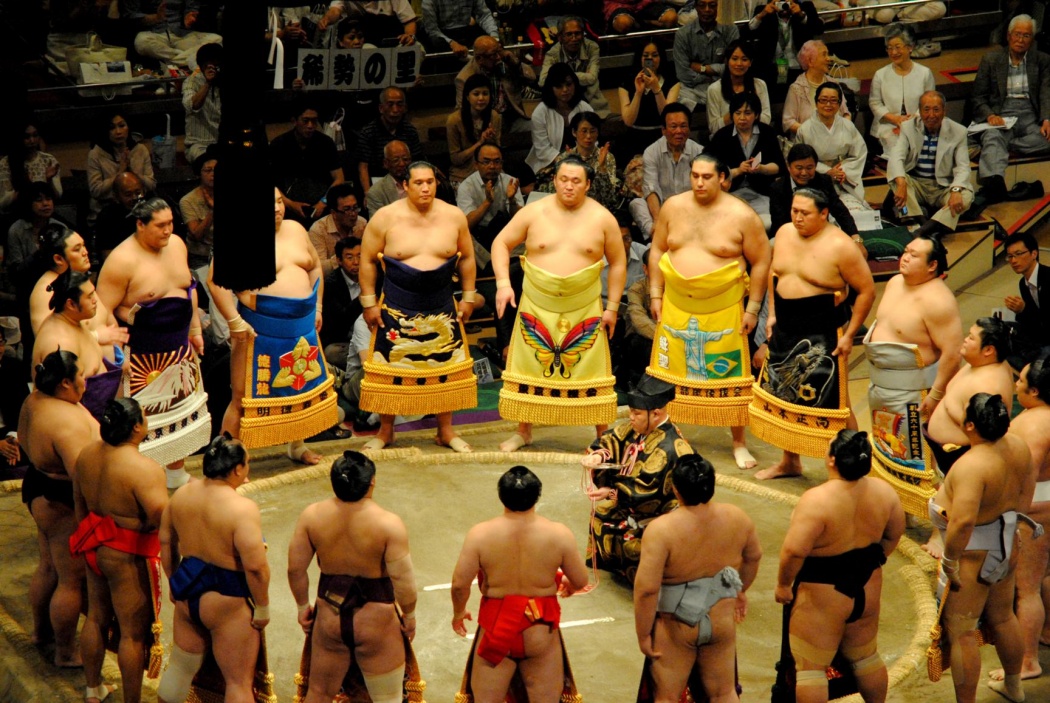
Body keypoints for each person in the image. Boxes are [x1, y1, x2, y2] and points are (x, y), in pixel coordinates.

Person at [492, 155, 626, 451]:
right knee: (529, 367)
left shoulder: (603, 218)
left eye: (576, 181)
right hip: (536, 302)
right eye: (563, 179)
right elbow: (501, 242)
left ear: (588, 185)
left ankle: (601, 435)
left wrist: (613, 307)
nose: (568, 186)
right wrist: (503, 284)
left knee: (591, 370)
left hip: (584, 305)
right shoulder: (533, 212)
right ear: (554, 180)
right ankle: (524, 431)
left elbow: (618, 262)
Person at [648, 153, 771, 469]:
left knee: (731, 376)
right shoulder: (673, 207)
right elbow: (658, 249)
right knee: (669, 375)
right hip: (676, 305)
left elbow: (761, 262)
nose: (699, 182)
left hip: (723, 307)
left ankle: (739, 442)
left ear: (723, 179)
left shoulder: (742, 215)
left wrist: (753, 309)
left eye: (706, 177)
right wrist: (655, 293)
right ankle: (670, 435)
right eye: (695, 176)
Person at [207, 187, 338, 465]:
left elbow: (315, 266)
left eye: (279, 201)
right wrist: (234, 321)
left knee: (301, 389)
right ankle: (227, 463)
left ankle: (297, 446)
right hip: (260, 325)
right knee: (242, 397)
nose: (277, 208)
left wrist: (318, 306)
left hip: (302, 322)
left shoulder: (296, 229)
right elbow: (215, 282)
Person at [750, 187, 874, 479]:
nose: (797, 218)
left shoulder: (841, 246)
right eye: (794, 211)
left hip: (822, 329)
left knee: (837, 401)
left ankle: (854, 467)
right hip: (785, 325)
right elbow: (774, 273)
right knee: (785, 396)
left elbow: (866, 291)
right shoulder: (784, 233)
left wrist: (849, 334)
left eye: (804, 213)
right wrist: (773, 314)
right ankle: (789, 462)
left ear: (824, 214)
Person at [775, 429, 905, 703]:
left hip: (824, 592)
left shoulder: (816, 500)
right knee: (866, 657)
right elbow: (894, 534)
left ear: (833, 459)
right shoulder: (884, 491)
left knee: (810, 670)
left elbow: (794, 551)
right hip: (868, 584)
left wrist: (783, 585)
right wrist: (869, 561)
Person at [358, 161, 478, 451]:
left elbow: (467, 257)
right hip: (397, 302)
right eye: (418, 183)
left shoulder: (453, 216)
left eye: (430, 182)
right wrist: (368, 302)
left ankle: (445, 431)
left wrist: (469, 296)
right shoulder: (385, 217)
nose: (425, 188)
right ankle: (386, 431)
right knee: (390, 368)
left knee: (445, 366)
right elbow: (367, 260)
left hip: (441, 301)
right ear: (404, 185)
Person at [96, 197, 211, 489]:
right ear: (140, 224)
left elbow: (188, 288)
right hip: (141, 354)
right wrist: (116, 354)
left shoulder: (177, 245)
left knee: (179, 412)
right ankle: (136, 482)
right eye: (160, 225)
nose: (167, 230)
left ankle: (176, 473)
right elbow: (102, 311)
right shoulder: (121, 261)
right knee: (138, 422)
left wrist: (195, 329)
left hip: (180, 346)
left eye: (171, 223)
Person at [288, 450, 419, 703]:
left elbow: (295, 569)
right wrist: (410, 615)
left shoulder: (312, 516)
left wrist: (303, 606)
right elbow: (404, 582)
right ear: (372, 482)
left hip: (330, 618)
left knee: (318, 694)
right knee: (388, 700)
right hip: (376, 623)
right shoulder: (388, 524)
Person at [450, 466, 590, 703]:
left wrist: (458, 613)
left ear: (501, 495)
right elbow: (581, 580)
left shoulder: (480, 534)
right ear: (537, 496)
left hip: (495, 628)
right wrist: (568, 583)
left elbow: (459, 584)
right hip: (539, 631)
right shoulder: (559, 534)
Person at [928, 393, 1034, 703]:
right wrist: (1013, 532)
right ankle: (1013, 687)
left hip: (971, 554)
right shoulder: (1019, 447)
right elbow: (1025, 492)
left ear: (970, 426)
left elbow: (962, 522)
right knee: (1003, 617)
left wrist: (950, 560)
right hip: (1005, 540)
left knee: (961, 631)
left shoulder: (971, 466)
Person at [634, 453, 762, 701]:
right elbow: (754, 557)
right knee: (724, 693)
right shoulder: (737, 517)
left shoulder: (661, 529)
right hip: (721, 620)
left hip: (676, 627)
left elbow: (647, 590)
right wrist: (739, 590)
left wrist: (643, 634)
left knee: (666, 698)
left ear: (675, 489)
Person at [156, 434, 271, 703]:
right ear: (237, 469)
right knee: (238, 682)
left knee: (180, 669)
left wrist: (174, 581)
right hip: (227, 602)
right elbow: (255, 567)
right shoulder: (242, 509)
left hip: (188, 593)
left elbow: (166, 542)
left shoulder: (181, 495)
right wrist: (263, 606)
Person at [71, 399, 167, 703]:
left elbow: (79, 507)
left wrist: (92, 541)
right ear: (136, 427)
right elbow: (164, 524)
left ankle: (93, 689)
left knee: (96, 618)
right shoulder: (145, 470)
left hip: (92, 545)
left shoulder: (86, 455)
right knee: (132, 634)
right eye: (144, 417)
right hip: (126, 556)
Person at [865, 234, 962, 516]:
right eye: (905, 251)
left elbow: (952, 353)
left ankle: (939, 523)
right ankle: (898, 512)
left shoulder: (939, 300)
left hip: (915, 393)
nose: (904, 257)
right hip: (881, 386)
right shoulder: (895, 282)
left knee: (920, 459)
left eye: (914, 255)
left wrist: (936, 395)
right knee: (888, 449)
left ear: (932, 265)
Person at [19, 350, 98, 667]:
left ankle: (41, 633)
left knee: (49, 567)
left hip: (38, 483)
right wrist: (89, 515)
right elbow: (83, 479)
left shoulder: (35, 399)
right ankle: (65, 652)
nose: (85, 381)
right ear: (65, 382)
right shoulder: (64, 424)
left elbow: (23, 438)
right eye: (81, 376)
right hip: (61, 498)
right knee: (71, 579)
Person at [582, 373, 697, 581]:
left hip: (659, 516)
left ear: (656, 414)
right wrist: (599, 456)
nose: (631, 418)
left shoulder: (670, 447)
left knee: (632, 545)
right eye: (631, 412)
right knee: (601, 516)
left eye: (636, 413)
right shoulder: (640, 428)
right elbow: (612, 438)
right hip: (631, 506)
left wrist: (612, 491)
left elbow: (646, 491)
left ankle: (647, 580)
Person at [922, 318, 1017, 556]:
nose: (965, 339)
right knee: (946, 490)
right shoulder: (979, 364)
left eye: (972, 337)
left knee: (957, 498)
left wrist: (950, 409)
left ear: (988, 350)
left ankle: (944, 540)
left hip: (964, 450)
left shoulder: (990, 383)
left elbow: (985, 427)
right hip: (949, 448)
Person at [987, 355, 1050, 684]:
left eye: (1021, 381)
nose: (1015, 385)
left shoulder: (1035, 424)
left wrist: (1012, 516)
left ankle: (1027, 661)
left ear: (1035, 390)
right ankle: (1047, 631)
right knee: (1045, 575)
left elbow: (1028, 477)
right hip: (1045, 500)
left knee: (1027, 588)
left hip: (1035, 505)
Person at [971, 15, 1050, 205]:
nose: (1020, 40)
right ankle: (994, 182)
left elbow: (1046, 93)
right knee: (992, 135)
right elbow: (977, 97)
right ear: (1008, 36)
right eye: (1017, 34)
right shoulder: (991, 59)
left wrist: (1047, 119)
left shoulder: (1042, 60)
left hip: (1030, 116)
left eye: (1026, 35)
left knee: (1047, 138)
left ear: (1032, 39)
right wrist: (990, 115)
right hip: (1002, 114)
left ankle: (1006, 146)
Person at [457, 142, 524, 356]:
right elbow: (466, 224)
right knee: (463, 237)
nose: (492, 166)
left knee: (526, 234)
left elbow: (522, 220)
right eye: (486, 162)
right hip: (480, 239)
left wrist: (512, 200)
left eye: (496, 162)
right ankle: (497, 267)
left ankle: (511, 265)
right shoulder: (466, 186)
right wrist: (486, 202)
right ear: (477, 164)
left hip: (505, 237)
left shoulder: (510, 181)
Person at [32, 271, 124, 422]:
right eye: (89, 296)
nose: (95, 300)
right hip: (82, 421)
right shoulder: (59, 342)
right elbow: (60, 404)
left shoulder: (73, 321)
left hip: (100, 414)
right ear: (71, 304)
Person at [885, 90, 973, 237]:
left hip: (943, 186)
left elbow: (963, 167)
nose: (931, 115)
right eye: (926, 110)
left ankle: (922, 229)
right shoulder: (908, 127)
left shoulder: (959, 131)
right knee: (896, 179)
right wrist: (901, 182)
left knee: (965, 196)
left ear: (944, 111)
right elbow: (896, 157)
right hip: (917, 184)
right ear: (919, 111)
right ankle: (921, 221)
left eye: (936, 109)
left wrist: (956, 190)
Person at [707, 93, 785, 229]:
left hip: (762, 193)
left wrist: (762, 168)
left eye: (747, 113)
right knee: (731, 226)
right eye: (738, 113)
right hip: (731, 194)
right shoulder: (722, 136)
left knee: (767, 223)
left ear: (756, 115)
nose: (742, 118)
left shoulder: (767, 133)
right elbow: (713, 171)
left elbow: (779, 166)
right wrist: (738, 170)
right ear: (732, 115)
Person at [269, 101, 346, 226]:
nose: (310, 125)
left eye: (314, 121)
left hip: (321, 207)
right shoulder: (279, 144)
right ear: (294, 121)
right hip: (288, 207)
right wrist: (289, 204)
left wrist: (324, 201)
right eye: (305, 121)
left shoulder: (326, 143)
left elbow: (339, 178)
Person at [797, 82, 869, 214]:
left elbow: (859, 153)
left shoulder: (848, 126)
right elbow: (800, 160)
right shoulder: (805, 129)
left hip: (844, 180)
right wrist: (827, 171)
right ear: (816, 102)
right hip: (816, 181)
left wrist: (842, 171)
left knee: (856, 213)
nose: (828, 105)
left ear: (839, 103)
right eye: (823, 100)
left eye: (833, 101)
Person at [868, 23, 936, 157]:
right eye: (890, 48)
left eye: (898, 47)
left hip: (918, 123)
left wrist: (911, 121)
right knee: (895, 146)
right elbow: (875, 103)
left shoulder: (925, 73)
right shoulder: (880, 74)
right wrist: (895, 119)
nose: (893, 52)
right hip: (888, 125)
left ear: (910, 47)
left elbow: (930, 102)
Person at [769, 144, 859, 241]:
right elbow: (780, 222)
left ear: (815, 166)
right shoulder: (777, 188)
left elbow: (840, 211)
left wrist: (855, 237)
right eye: (799, 168)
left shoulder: (824, 181)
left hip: (820, 233)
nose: (804, 173)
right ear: (788, 166)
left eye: (809, 168)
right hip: (788, 236)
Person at [535, 112, 622, 212]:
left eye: (592, 131)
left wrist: (602, 167)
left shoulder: (607, 157)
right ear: (574, 132)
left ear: (598, 133)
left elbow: (609, 197)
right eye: (584, 131)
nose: (588, 136)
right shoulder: (564, 157)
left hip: (596, 208)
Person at [524, 63, 594, 185]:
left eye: (569, 84)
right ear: (551, 88)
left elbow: (594, 140)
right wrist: (569, 164)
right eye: (559, 86)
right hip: (548, 166)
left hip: (583, 163)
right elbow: (542, 150)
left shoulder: (585, 108)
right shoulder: (540, 113)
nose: (565, 90)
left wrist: (581, 162)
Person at [455, 35, 537, 137]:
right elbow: (462, 112)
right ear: (479, 58)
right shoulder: (464, 78)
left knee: (542, 127)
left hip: (512, 119)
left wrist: (515, 63)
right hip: (485, 124)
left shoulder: (505, 62)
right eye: (493, 55)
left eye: (499, 51)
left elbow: (532, 79)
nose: (498, 57)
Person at [641, 103, 705, 228]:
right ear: (663, 130)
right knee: (637, 204)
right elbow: (651, 188)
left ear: (689, 128)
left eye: (683, 126)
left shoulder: (700, 152)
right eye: (673, 126)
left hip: (691, 208)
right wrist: (658, 219)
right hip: (662, 208)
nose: (679, 131)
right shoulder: (651, 152)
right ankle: (656, 233)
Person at [85, 112, 156, 224]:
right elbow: (96, 191)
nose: (118, 132)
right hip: (107, 212)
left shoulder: (140, 150)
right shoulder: (96, 154)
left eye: (122, 126)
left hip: (139, 209)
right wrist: (120, 172)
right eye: (112, 128)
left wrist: (133, 172)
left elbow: (151, 185)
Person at [617, 41, 682, 161]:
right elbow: (628, 121)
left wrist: (656, 89)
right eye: (646, 56)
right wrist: (638, 93)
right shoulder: (626, 83)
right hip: (634, 139)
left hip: (661, 137)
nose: (650, 59)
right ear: (640, 58)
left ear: (661, 57)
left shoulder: (672, 82)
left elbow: (667, 117)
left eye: (655, 55)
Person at [672, 0, 739, 112]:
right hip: (693, 91)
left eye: (712, 5)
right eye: (702, 5)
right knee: (678, 99)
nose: (707, 10)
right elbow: (683, 74)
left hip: (723, 87)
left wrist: (703, 68)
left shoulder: (730, 30)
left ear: (718, 7)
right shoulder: (683, 34)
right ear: (696, 7)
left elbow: (734, 67)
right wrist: (713, 74)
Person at [744, 0, 823, 93]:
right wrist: (761, 15)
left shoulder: (805, 8)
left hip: (799, 68)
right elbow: (745, 34)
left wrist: (801, 15)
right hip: (772, 69)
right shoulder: (764, 10)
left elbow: (819, 29)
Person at [356, 87, 423, 195]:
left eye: (399, 104)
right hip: (378, 182)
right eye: (390, 104)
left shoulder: (410, 131)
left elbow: (417, 161)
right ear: (381, 108)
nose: (395, 110)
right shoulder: (368, 132)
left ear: (405, 108)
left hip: (406, 182)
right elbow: (363, 166)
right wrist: (368, 193)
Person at [539, 16, 610, 118]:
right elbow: (543, 81)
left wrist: (560, 77)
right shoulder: (552, 54)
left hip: (592, 103)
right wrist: (580, 77)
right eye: (569, 34)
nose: (574, 38)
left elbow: (592, 77)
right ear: (560, 37)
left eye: (577, 33)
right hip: (563, 106)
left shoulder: (592, 47)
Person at [123, 0, 222, 69]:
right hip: (156, 33)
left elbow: (192, 7)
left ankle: (174, 63)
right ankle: (190, 61)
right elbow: (130, 15)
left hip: (181, 34)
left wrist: (189, 16)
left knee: (217, 39)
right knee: (141, 41)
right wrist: (156, 17)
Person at [782, 40, 850, 139]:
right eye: (824, 54)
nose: (828, 58)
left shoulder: (834, 84)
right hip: (807, 142)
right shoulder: (796, 88)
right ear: (810, 61)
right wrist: (813, 133)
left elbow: (845, 114)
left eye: (828, 54)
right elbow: (788, 122)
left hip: (836, 140)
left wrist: (843, 130)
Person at [705, 39, 771, 136]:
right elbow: (714, 127)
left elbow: (766, 119)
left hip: (754, 136)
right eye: (735, 59)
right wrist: (737, 111)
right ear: (727, 61)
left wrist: (752, 109)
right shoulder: (714, 89)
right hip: (725, 138)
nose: (739, 64)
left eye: (744, 59)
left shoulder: (759, 85)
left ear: (750, 62)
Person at [1003, 232, 1050, 365]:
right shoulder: (1023, 284)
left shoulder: (1048, 277)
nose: (1013, 261)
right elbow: (1032, 323)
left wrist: (1024, 309)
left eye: (1018, 254)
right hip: (1040, 336)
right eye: (1010, 256)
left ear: (1034, 254)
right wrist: (1020, 311)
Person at [447, 73, 502, 187]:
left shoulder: (494, 116)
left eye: (485, 94)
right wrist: (480, 143)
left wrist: (491, 141)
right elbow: (455, 159)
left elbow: (498, 152)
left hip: (490, 172)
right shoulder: (454, 120)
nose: (481, 98)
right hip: (463, 174)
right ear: (467, 97)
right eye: (476, 94)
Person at [319, 236, 364, 372]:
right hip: (343, 340)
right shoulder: (331, 284)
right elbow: (340, 321)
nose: (356, 262)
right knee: (332, 353)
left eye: (360, 256)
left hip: (370, 336)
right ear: (339, 260)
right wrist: (363, 298)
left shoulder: (375, 277)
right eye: (349, 257)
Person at [4, 182, 63, 284]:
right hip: (25, 282)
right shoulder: (16, 230)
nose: (46, 203)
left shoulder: (60, 227)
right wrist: (38, 255)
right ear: (28, 203)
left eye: (48, 199)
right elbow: (16, 269)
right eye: (39, 200)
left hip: (56, 281)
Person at [0, 121, 63, 214]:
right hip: (18, 214)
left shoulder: (48, 159)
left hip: (44, 214)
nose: (32, 140)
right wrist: (25, 189)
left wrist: (49, 180)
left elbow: (58, 196)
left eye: (35, 135)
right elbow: (2, 203)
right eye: (27, 137)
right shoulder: (6, 163)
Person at [309, 183, 368, 276]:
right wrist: (351, 243)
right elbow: (318, 269)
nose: (353, 214)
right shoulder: (318, 230)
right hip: (330, 281)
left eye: (355, 208)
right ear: (334, 213)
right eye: (347, 209)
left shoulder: (361, 224)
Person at [182, 42, 222, 164]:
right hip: (199, 145)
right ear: (202, 66)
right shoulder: (191, 81)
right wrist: (208, 83)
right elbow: (192, 105)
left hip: (223, 142)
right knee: (211, 164)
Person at [93, 171, 146, 260]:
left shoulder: (150, 211)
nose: (134, 198)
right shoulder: (107, 217)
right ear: (116, 197)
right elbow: (107, 256)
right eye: (128, 195)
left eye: (138, 193)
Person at [179, 149, 217, 271]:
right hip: (201, 257)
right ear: (199, 173)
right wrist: (212, 211)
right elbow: (196, 235)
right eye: (208, 170)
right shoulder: (187, 201)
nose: (213, 174)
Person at [319, 0, 418, 45]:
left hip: (393, 39)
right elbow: (335, 11)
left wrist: (409, 36)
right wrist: (326, 19)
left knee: (418, 48)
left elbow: (409, 21)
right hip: (364, 42)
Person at [420, 0, 498, 56]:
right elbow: (432, 30)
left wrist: (494, 36)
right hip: (442, 37)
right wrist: (452, 43)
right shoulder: (429, 1)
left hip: (466, 33)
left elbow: (484, 16)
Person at [365, 141, 412, 215]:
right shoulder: (376, 192)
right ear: (386, 163)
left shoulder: (421, 182)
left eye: (405, 159)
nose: (402, 164)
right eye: (396, 160)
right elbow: (377, 221)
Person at [605, 0, 677, 34]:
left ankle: (643, 22)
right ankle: (638, 23)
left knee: (671, 18)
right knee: (623, 23)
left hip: (645, 2)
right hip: (618, 4)